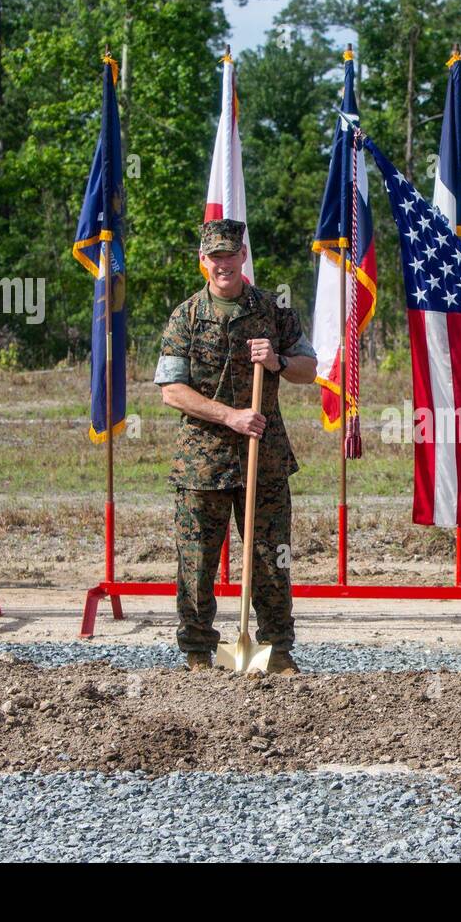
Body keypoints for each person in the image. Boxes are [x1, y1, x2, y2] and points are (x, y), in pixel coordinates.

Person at [155, 219, 317, 674]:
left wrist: (280, 360)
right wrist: (230, 416)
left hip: (262, 458)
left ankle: (276, 647)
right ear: (203, 261)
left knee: (271, 555)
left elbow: (309, 368)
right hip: (200, 460)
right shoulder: (185, 316)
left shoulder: (272, 309)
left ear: (243, 256)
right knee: (197, 559)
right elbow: (171, 390)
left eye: (230, 255)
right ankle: (198, 649)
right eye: (214, 257)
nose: (223, 264)